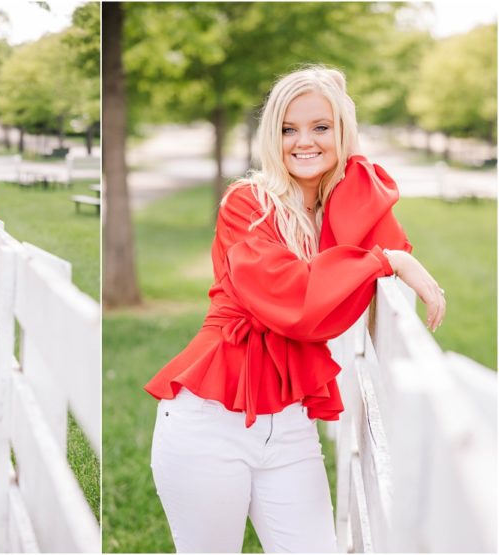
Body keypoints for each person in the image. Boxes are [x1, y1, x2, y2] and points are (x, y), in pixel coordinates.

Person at [144, 66, 446, 553]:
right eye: (288, 128)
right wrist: (388, 261)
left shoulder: (333, 214)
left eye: (321, 127)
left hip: (289, 427)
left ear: (343, 133)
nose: (303, 141)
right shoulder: (250, 204)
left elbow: (380, 225)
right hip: (209, 424)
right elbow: (298, 304)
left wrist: (347, 144)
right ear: (271, 135)